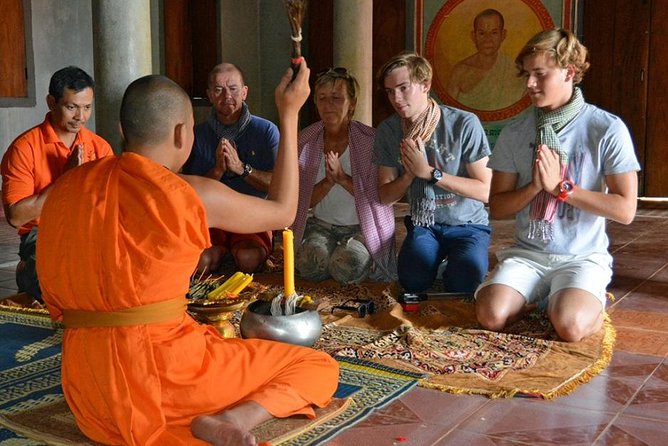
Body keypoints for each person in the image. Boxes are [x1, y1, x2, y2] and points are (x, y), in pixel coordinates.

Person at [36, 60, 339, 446]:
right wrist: (291, 111)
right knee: (314, 365)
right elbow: (283, 211)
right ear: (183, 133)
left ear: (121, 131)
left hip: (89, 389)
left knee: (208, 338)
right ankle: (234, 417)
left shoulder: (65, 190)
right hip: (169, 377)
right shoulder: (186, 192)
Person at [475, 29, 640, 343]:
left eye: (540, 74)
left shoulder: (606, 128)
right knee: (490, 316)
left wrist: (562, 188)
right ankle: (548, 297)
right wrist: (535, 187)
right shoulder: (516, 131)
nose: (529, 84)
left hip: (582, 257)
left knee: (570, 327)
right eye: (526, 74)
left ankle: (574, 300)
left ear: (570, 72)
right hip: (528, 254)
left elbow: (626, 209)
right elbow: (497, 207)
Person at [374, 52, 492, 295]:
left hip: (468, 225)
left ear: (425, 84)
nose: (396, 98)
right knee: (412, 281)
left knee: (463, 284)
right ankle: (436, 260)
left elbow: (486, 191)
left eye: (403, 88)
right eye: (389, 91)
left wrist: (429, 173)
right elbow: (385, 197)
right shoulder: (388, 130)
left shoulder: (464, 124)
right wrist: (409, 174)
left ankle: (460, 260)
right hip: (425, 224)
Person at [0, 66, 113, 304]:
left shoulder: (99, 147)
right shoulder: (25, 148)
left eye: (87, 107)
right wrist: (66, 180)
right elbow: (16, 217)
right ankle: (28, 272)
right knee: (59, 278)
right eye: (71, 107)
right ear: (51, 102)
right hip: (42, 234)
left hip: (89, 230)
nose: (80, 117)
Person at [293, 67, 397, 284]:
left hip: (361, 228)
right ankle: (330, 254)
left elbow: (379, 198)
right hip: (321, 226)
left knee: (345, 267)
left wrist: (342, 178)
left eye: (337, 98)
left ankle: (358, 255)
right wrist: (328, 182)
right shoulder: (306, 141)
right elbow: (301, 202)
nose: (328, 105)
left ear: (352, 104)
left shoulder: (370, 141)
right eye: (322, 98)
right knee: (310, 266)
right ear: (315, 103)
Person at [182, 63, 280, 274]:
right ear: (209, 95)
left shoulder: (265, 131)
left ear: (244, 92)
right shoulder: (196, 134)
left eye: (233, 88)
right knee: (200, 262)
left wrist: (241, 168)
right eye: (218, 89)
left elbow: (277, 185)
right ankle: (223, 252)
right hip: (212, 217)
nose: (227, 95)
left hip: (250, 212)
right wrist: (217, 170)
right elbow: (189, 191)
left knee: (248, 258)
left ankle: (233, 253)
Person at [446, 9, 526, 111]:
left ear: (503, 35)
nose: (487, 39)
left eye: (494, 33)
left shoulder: (515, 71)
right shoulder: (460, 71)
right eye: (482, 33)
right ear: (473, 36)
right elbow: (449, 113)